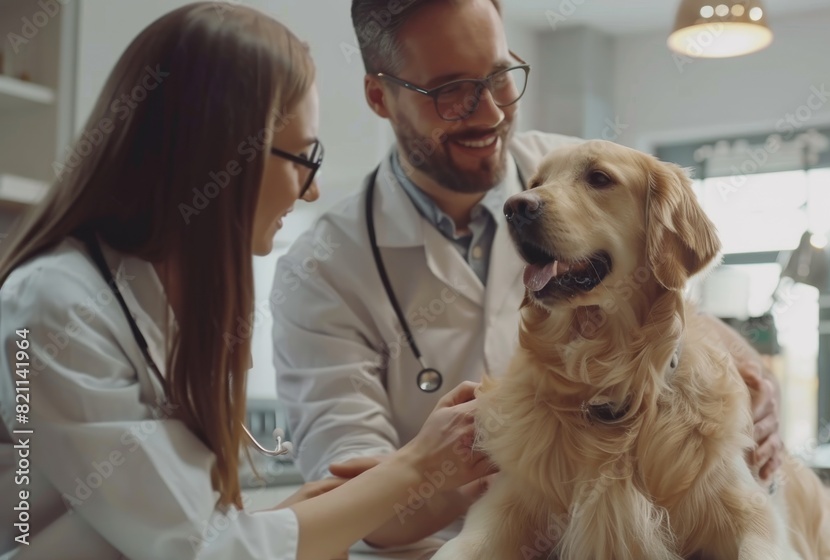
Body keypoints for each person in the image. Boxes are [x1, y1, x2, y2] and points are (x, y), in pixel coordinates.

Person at [272, 0, 784, 551]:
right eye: (449, 90)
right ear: (380, 95)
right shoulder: (320, 272)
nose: (489, 112)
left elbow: (665, 295)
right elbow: (353, 507)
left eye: (499, 76)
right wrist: (497, 465)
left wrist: (754, 378)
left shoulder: (566, 171)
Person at [0, 4, 491, 559]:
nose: (310, 191)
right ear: (223, 154)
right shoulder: (52, 307)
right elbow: (202, 550)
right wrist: (418, 465)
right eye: (304, 158)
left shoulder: (151, 305)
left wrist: (291, 519)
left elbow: (178, 533)